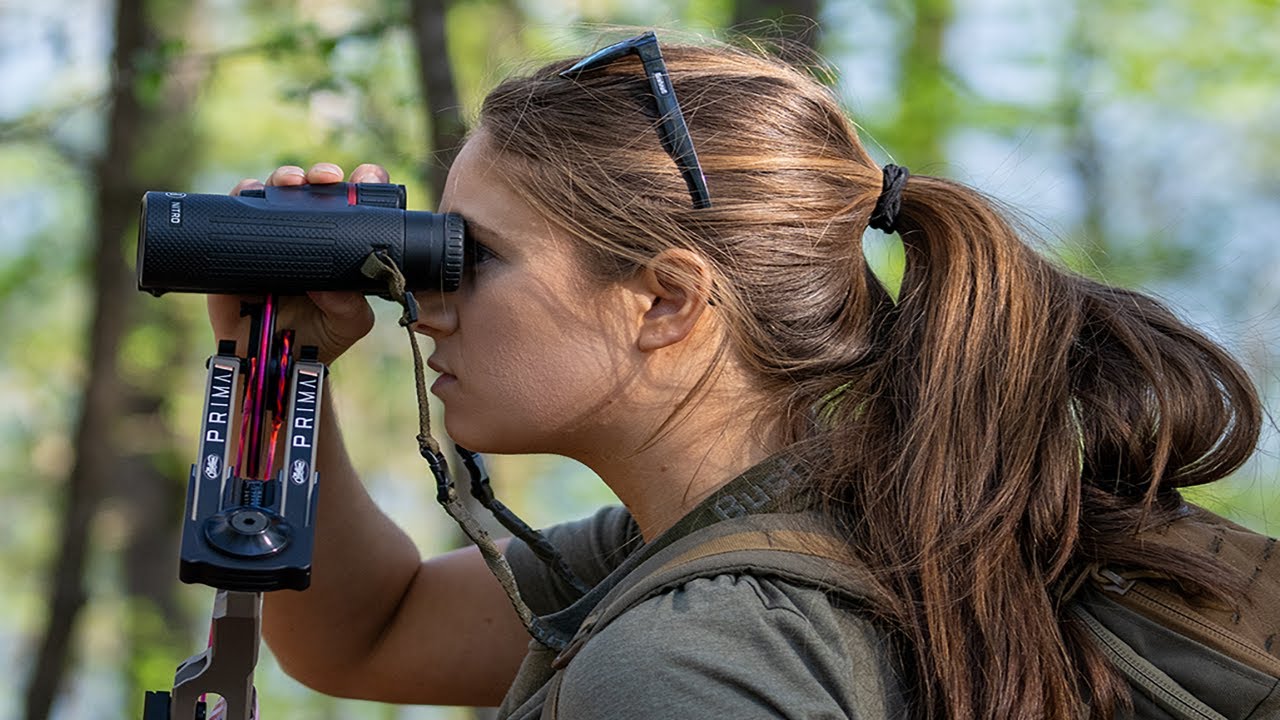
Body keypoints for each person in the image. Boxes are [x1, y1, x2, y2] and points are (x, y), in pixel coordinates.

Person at [209, 33, 1267, 720]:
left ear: (666, 300)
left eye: (468, 258)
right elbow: (366, 631)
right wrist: (275, 369)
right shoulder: (863, 519)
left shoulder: (683, 664)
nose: (420, 299)